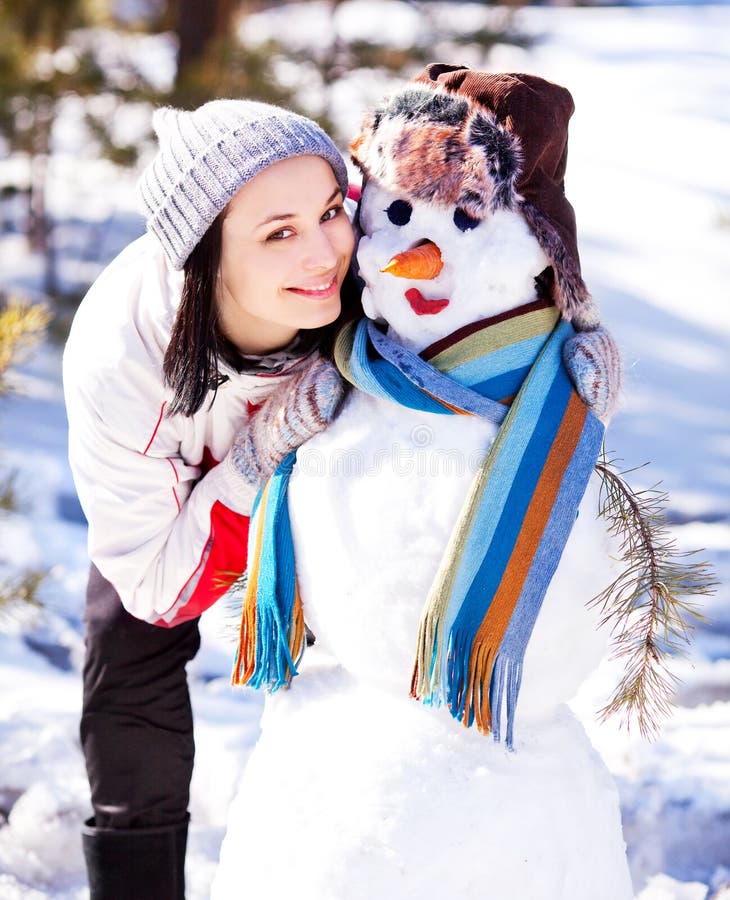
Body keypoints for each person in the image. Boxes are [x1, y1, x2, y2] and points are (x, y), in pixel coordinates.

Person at [63, 99, 356, 900]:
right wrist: (256, 458)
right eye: (279, 232)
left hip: (331, 470)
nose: (328, 250)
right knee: (125, 651)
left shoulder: (357, 260)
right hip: (185, 489)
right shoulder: (119, 360)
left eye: (331, 211)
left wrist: (572, 326)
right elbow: (157, 588)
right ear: (206, 257)